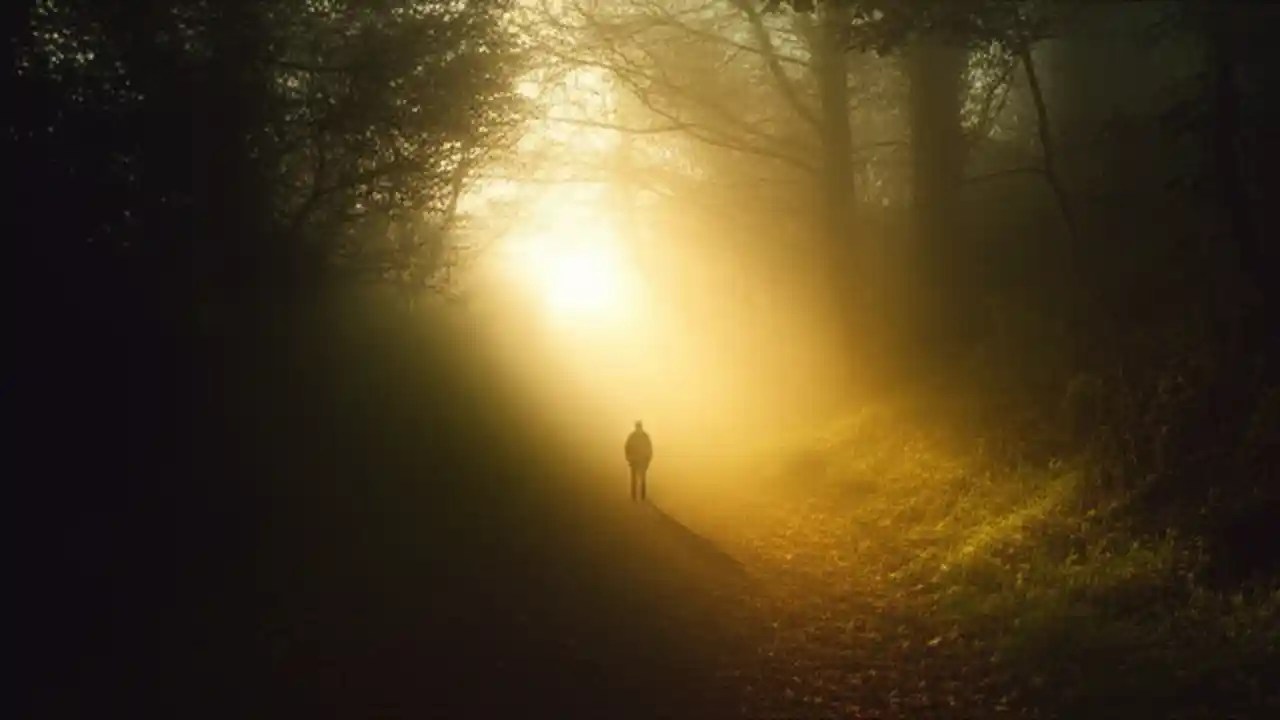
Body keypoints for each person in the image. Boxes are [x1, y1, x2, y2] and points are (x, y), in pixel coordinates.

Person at [624, 420, 653, 501]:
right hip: (634, 461)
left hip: (642, 461)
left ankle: (643, 496)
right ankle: (634, 496)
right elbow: (627, 447)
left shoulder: (644, 437)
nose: (638, 429)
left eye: (639, 427)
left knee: (643, 479)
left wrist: (648, 459)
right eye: (637, 427)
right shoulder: (633, 437)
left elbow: (649, 448)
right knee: (634, 479)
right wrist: (628, 458)